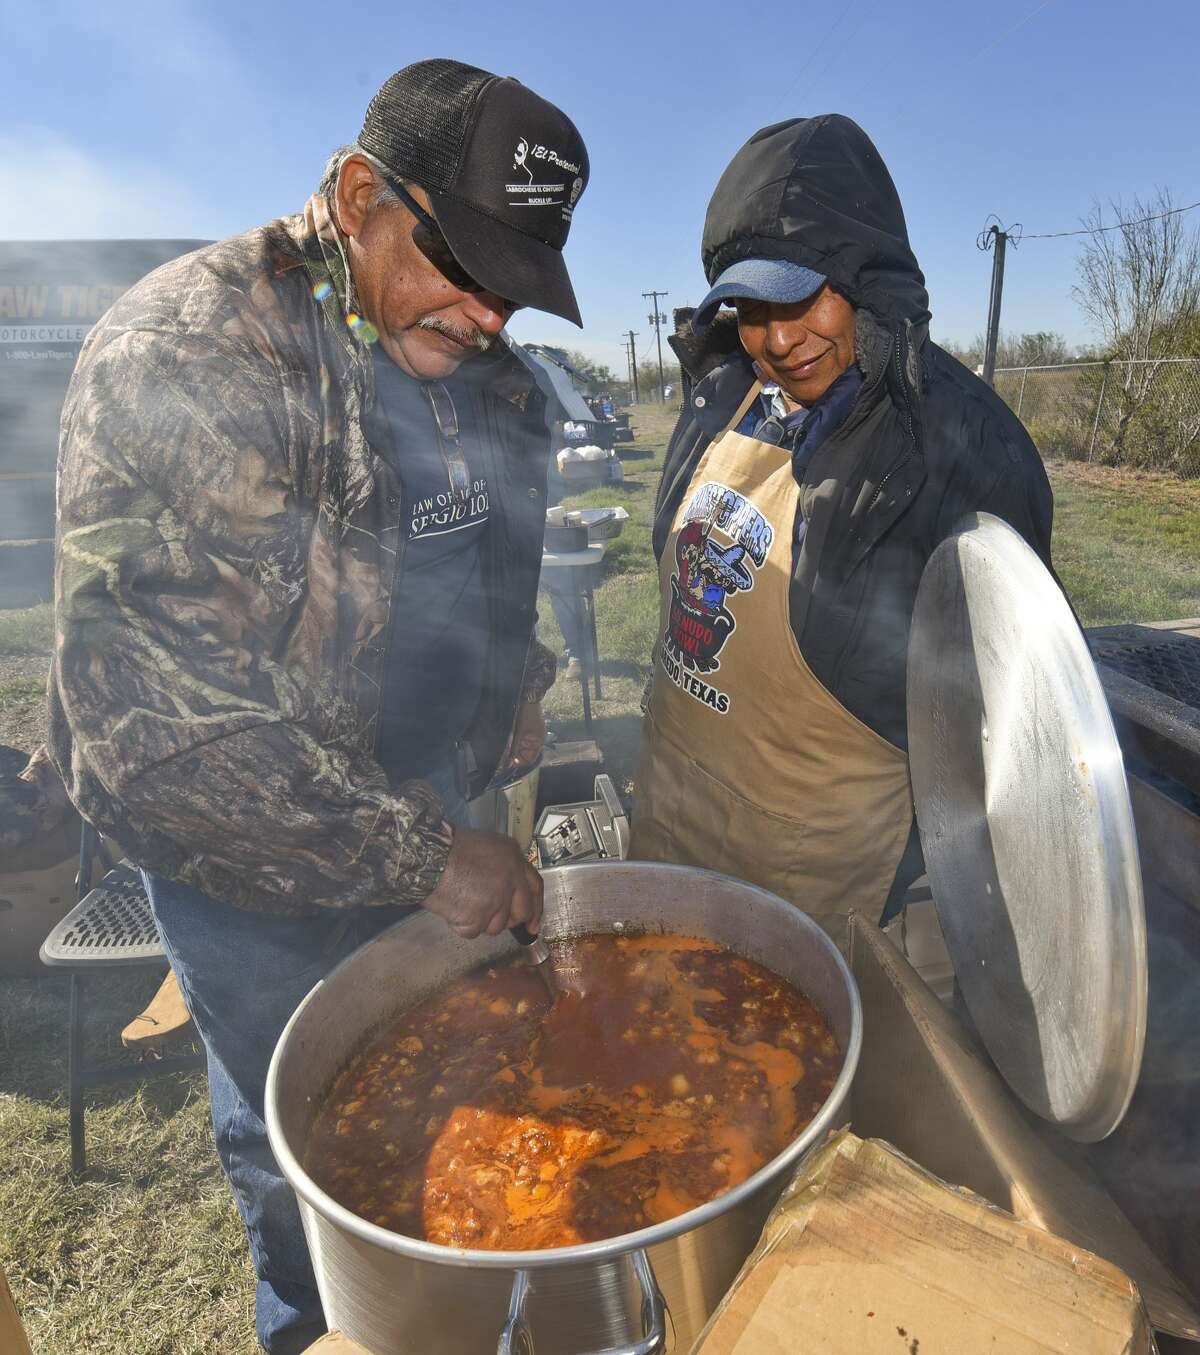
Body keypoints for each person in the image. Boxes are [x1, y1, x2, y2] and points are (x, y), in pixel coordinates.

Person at [49, 59, 588, 1353]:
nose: (490, 315)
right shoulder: (187, 360)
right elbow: (166, 749)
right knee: (324, 1183)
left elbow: (499, 547)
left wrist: (516, 682)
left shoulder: (486, 366)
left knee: (478, 1117)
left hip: (438, 814)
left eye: (516, 282)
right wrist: (430, 857)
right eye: (463, 261)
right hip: (262, 882)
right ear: (358, 196)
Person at [632, 115, 1053, 941]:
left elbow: (1006, 728)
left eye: (802, 295)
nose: (778, 339)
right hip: (667, 824)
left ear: (869, 280)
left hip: (808, 894)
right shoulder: (724, 392)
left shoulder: (966, 451)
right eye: (748, 307)